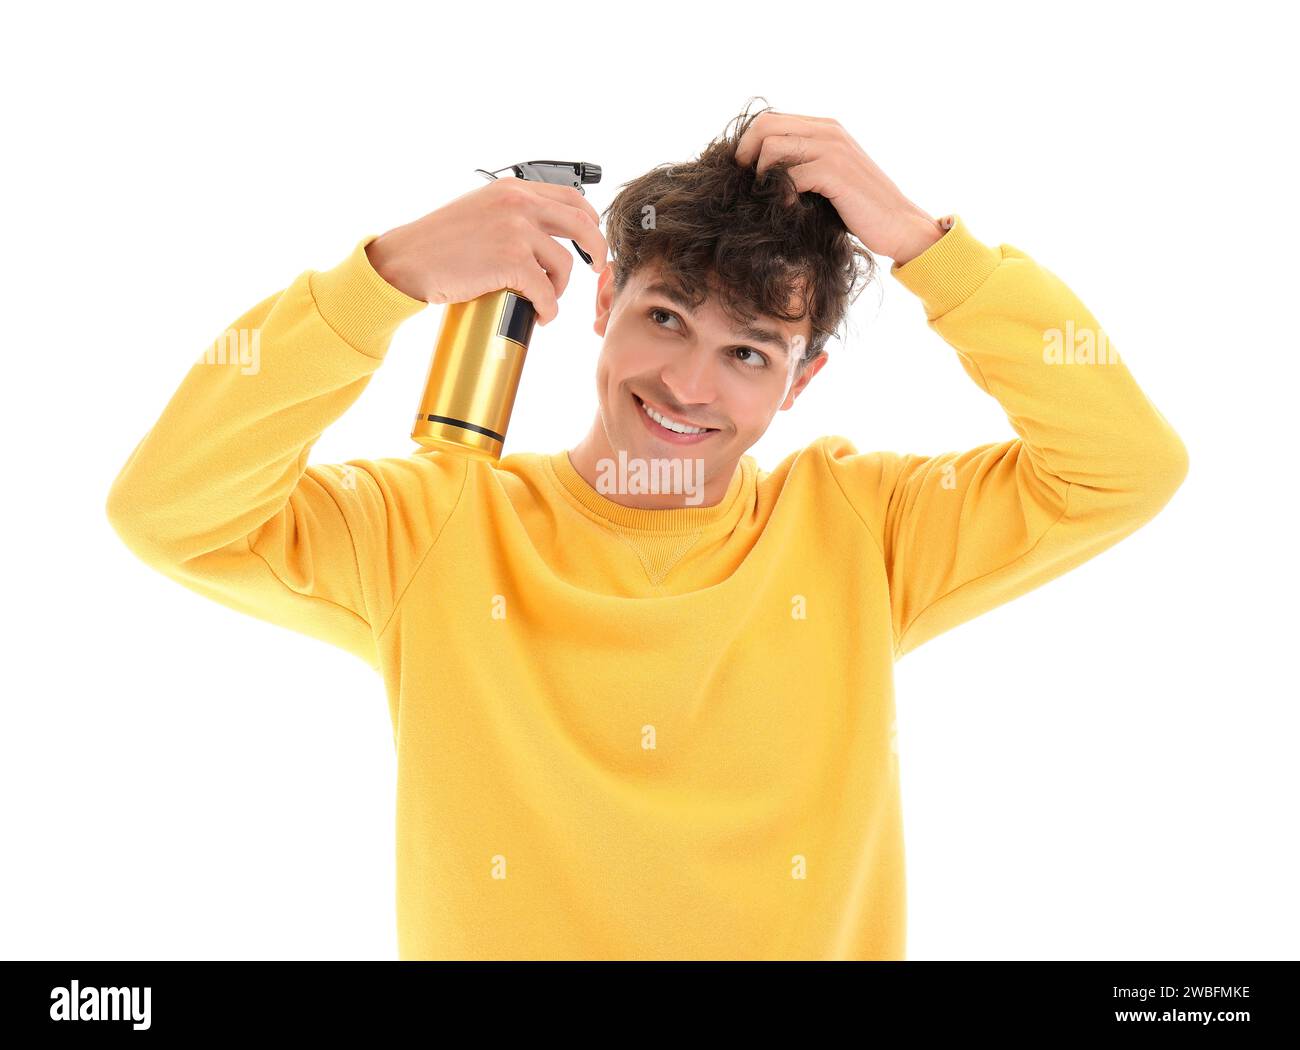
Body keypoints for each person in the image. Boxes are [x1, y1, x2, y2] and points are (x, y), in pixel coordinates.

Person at [105, 103, 1188, 960]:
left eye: (748, 352)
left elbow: (1124, 467)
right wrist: (381, 279)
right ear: (605, 297)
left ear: (804, 380)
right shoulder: (437, 526)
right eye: (664, 318)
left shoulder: (862, 532)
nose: (684, 384)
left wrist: (922, 247)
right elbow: (168, 513)